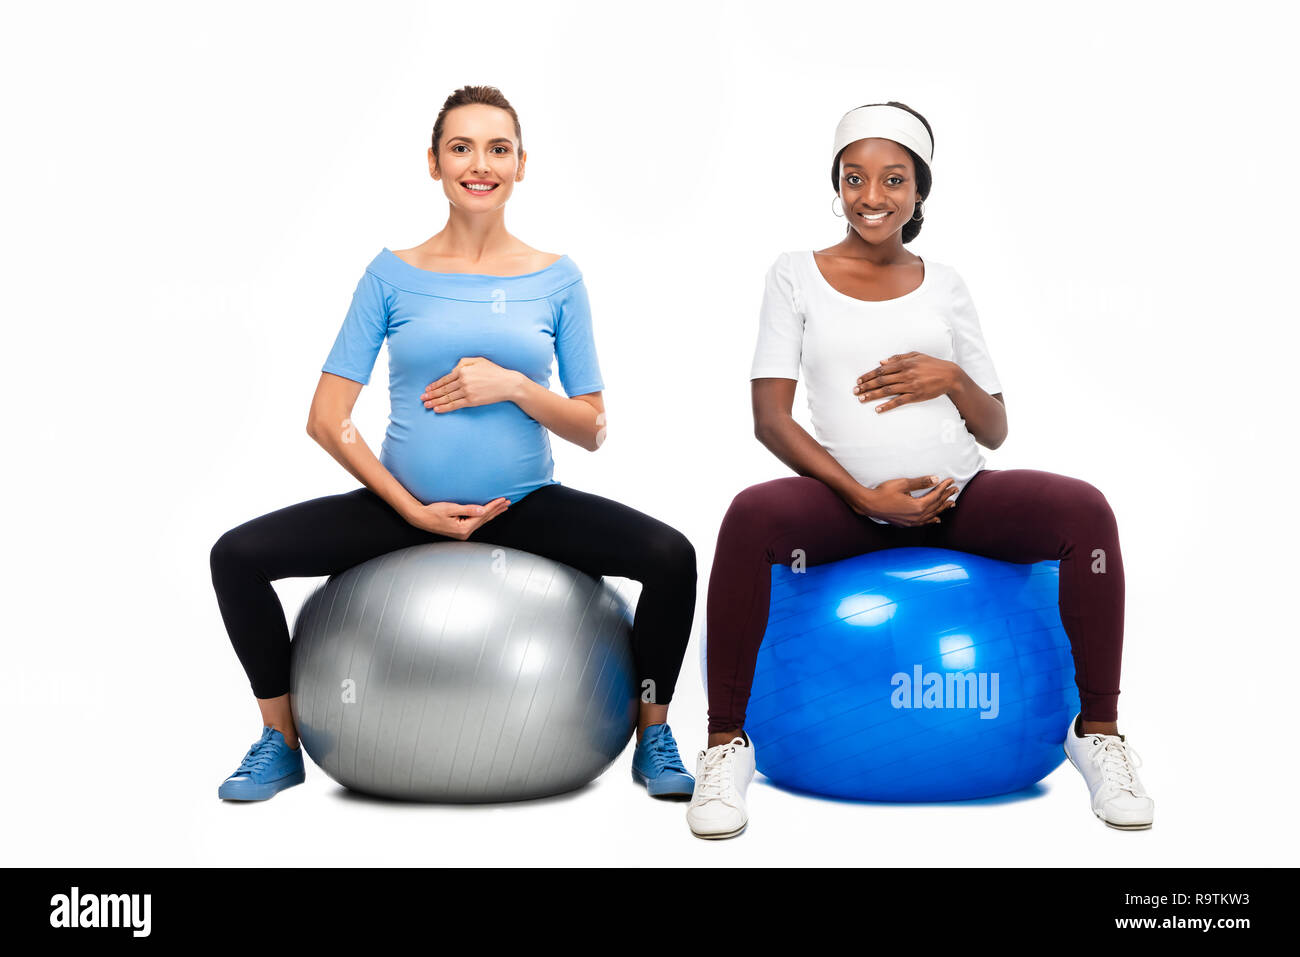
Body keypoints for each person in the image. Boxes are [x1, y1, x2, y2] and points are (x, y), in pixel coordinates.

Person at [210, 85, 696, 803]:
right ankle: (279, 741)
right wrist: (410, 508)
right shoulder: (390, 274)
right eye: (461, 148)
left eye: (498, 149)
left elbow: (593, 428)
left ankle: (653, 735)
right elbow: (327, 417)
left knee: (671, 557)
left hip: (523, 505)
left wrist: (515, 386)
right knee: (236, 556)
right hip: (402, 506)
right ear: (434, 163)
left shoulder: (557, 279)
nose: (480, 164)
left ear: (522, 164)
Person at [686, 101, 1155, 839]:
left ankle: (1099, 733)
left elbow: (995, 427)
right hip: (845, 508)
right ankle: (725, 748)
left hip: (958, 497)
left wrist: (951, 378)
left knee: (1084, 511)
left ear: (919, 190)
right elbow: (770, 418)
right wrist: (862, 495)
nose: (872, 196)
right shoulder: (795, 275)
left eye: (893, 179)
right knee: (750, 516)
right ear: (836, 185)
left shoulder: (947, 284)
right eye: (854, 178)